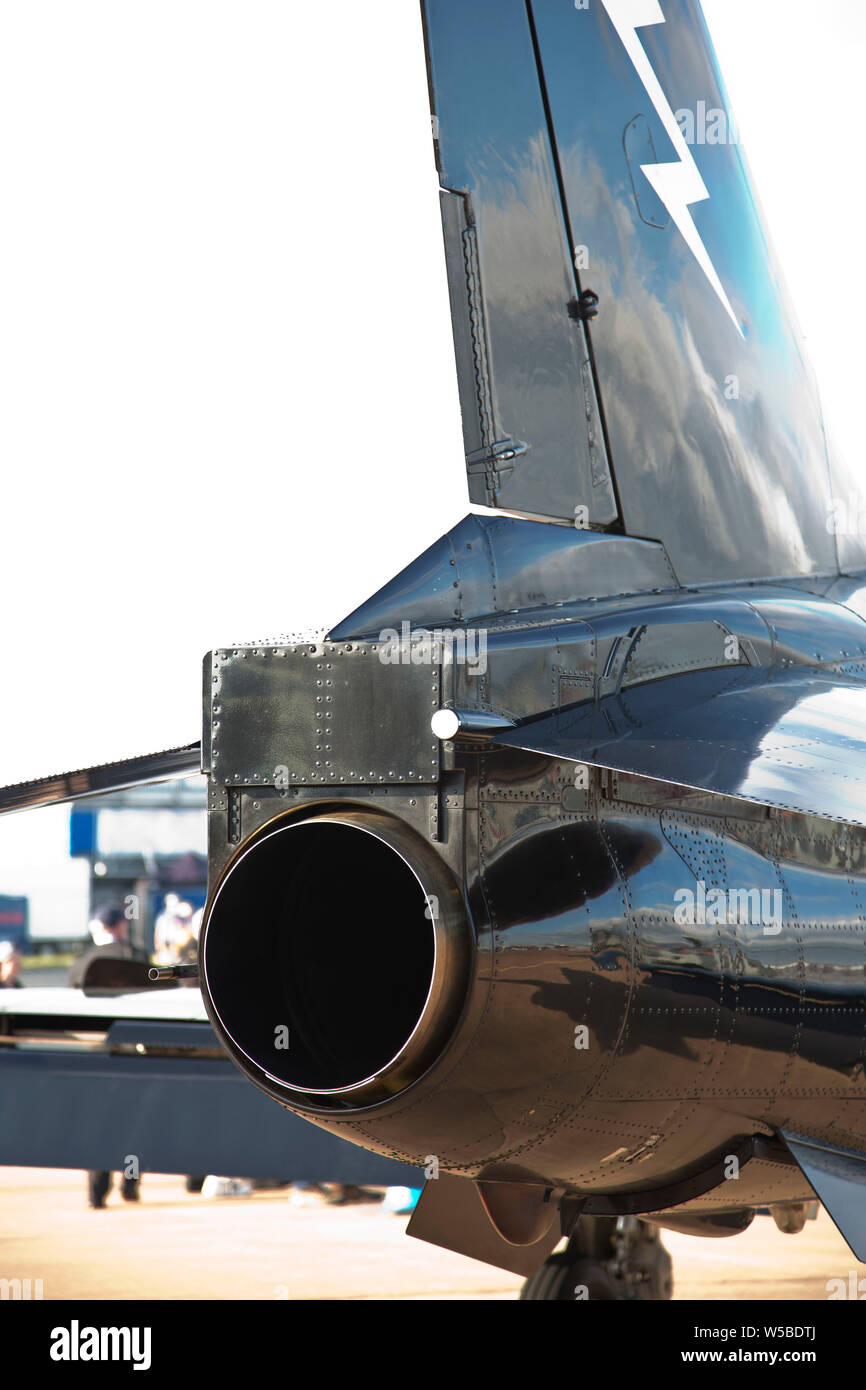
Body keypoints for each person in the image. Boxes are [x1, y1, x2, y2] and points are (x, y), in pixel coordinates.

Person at [67, 905, 149, 1208]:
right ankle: (130, 1184)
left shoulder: (81, 963)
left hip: (93, 1053)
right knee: (134, 1123)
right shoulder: (136, 957)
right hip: (131, 1053)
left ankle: (96, 1192)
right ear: (120, 926)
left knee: (97, 1125)